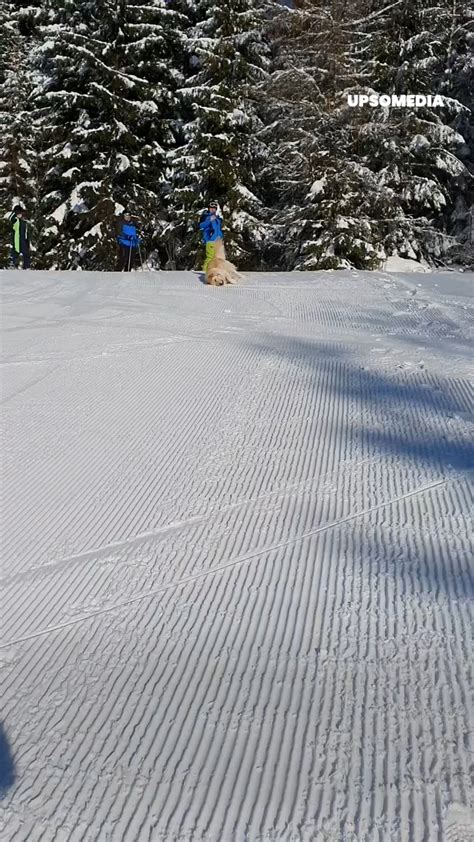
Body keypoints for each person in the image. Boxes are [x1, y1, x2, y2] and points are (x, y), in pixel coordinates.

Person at [199, 200, 223, 272]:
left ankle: (214, 270)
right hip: (211, 240)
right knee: (210, 257)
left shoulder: (217, 219)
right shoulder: (206, 216)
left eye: (214, 208)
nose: (212, 209)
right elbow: (201, 225)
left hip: (218, 240)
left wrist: (221, 237)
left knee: (217, 257)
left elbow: (218, 230)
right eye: (211, 208)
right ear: (208, 208)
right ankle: (205, 271)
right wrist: (209, 220)